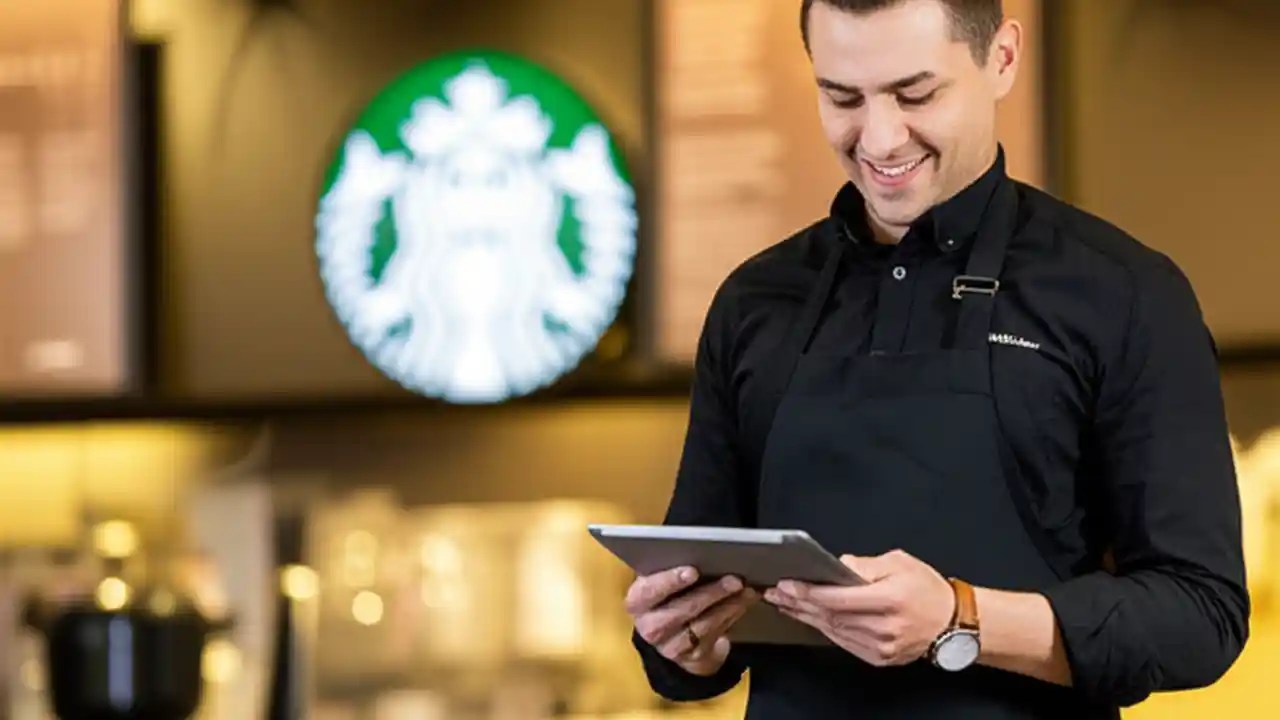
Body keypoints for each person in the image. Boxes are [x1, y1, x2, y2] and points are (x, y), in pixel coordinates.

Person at [624, 0, 1250, 717]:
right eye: (842, 97)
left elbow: (1201, 616)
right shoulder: (754, 300)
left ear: (1002, 59)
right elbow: (695, 617)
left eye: (916, 94)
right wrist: (685, 641)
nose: (881, 138)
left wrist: (961, 618)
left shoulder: (1125, 294)